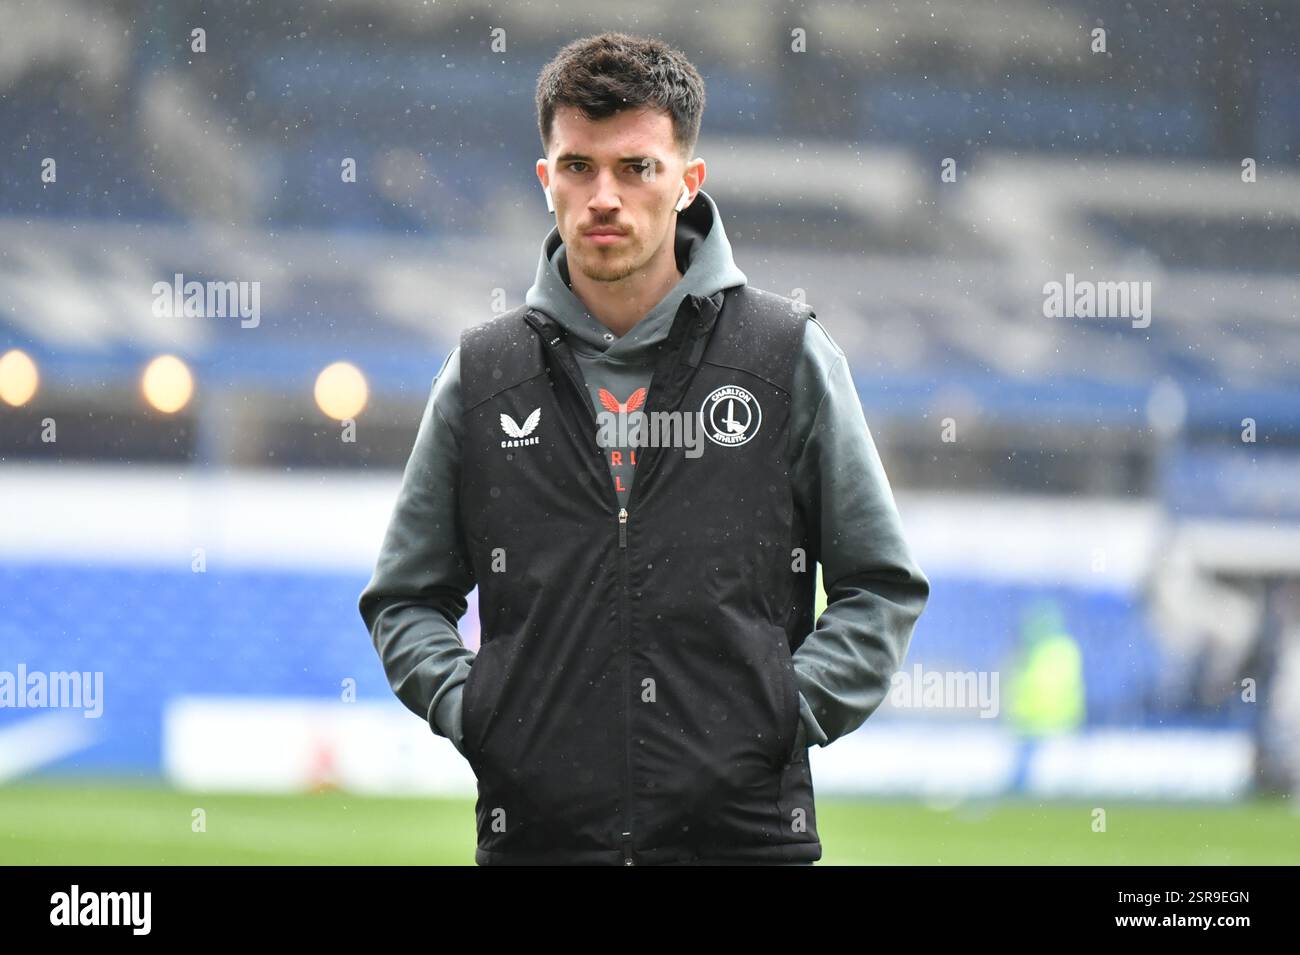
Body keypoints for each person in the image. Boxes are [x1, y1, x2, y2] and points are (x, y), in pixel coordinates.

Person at [358, 31, 930, 866]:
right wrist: (480, 708)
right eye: (578, 166)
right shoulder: (483, 374)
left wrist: (783, 712)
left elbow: (879, 584)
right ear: (545, 178)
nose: (604, 196)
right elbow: (404, 597)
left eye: (637, 168)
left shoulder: (786, 357)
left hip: (745, 844)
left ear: (687, 182)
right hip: (541, 846)